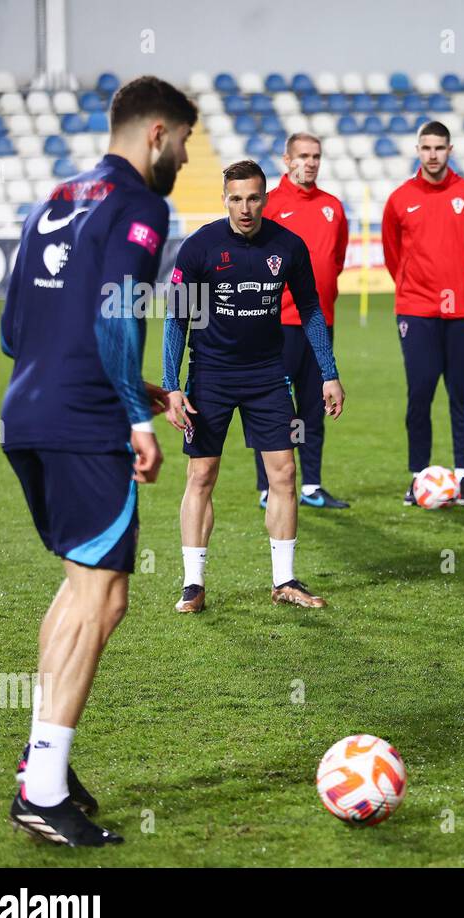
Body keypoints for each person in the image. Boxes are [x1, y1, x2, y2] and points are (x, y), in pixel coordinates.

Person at [0, 75, 194, 845]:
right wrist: (128, 416)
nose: (184, 154)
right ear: (155, 134)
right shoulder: (142, 204)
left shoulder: (55, 197)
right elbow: (119, 308)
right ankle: (40, 792)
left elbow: (17, 328)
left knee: (90, 591)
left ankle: (40, 762)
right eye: (183, 140)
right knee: (100, 597)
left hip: (26, 412)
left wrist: (129, 386)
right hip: (84, 422)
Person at [163, 159, 345, 614]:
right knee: (201, 475)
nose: (245, 208)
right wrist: (172, 387)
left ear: (266, 198)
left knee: (284, 474)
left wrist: (329, 371)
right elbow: (177, 319)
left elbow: (311, 310)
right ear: (224, 199)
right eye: (236, 198)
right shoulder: (199, 247)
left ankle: (284, 579)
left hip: (267, 375)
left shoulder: (288, 246)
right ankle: (192, 584)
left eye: (253, 198)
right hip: (210, 376)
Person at [382, 120, 464, 506]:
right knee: (420, 394)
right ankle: (419, 477)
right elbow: (393, 257)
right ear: (417, 150)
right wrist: (418, 291)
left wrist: (457, 287)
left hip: (462, 312)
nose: (432, 154)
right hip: (417, 311)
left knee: (462, 394)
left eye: (439, 148)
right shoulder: (399, 199)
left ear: (450, 150)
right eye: (426, 147)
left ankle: (463, 478)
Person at [253, 132, 350, 510]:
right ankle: (268, 487)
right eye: (302, 156)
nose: (309, 162)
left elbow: (335, 259)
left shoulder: (333, 207)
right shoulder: (271, 205)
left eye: (315, 156)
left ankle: (311, 484)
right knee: (274, 406)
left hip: (320, 323)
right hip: (278, 324)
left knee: (314, 405)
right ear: (286, 160)